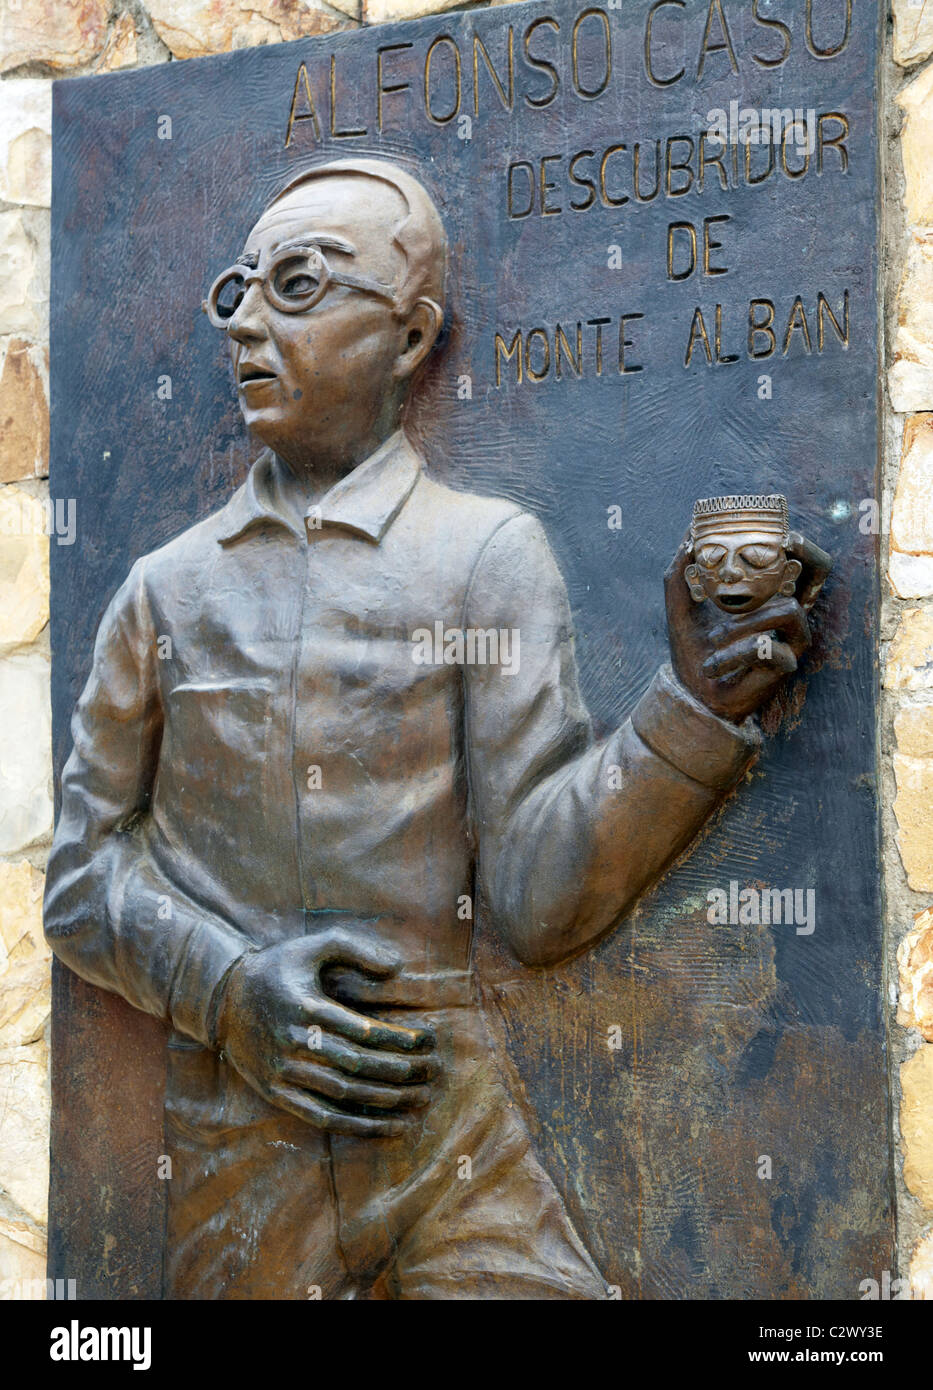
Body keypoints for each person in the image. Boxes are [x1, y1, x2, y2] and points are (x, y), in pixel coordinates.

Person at [44, 157, 822, 1299]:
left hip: (445, 1126)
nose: (249, 324)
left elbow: (541, 899)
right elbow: (79, 877)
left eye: (299, 285)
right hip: (242, 1144)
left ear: (410, 340)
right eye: (237, 290)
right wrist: (226, 991)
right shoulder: (164, 592)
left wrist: (694, 717)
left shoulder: (486, 554)